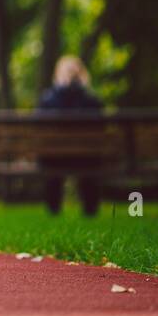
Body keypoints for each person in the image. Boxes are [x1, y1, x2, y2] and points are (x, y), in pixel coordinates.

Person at [38, 54, 104, 214]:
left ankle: (53, 210)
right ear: (82, 74)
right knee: (90, 161)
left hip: (54, 158)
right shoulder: (92, 100)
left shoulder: (48, 100)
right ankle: (90, 210)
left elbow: (38, 128)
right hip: (87, 157)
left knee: (52, 162)